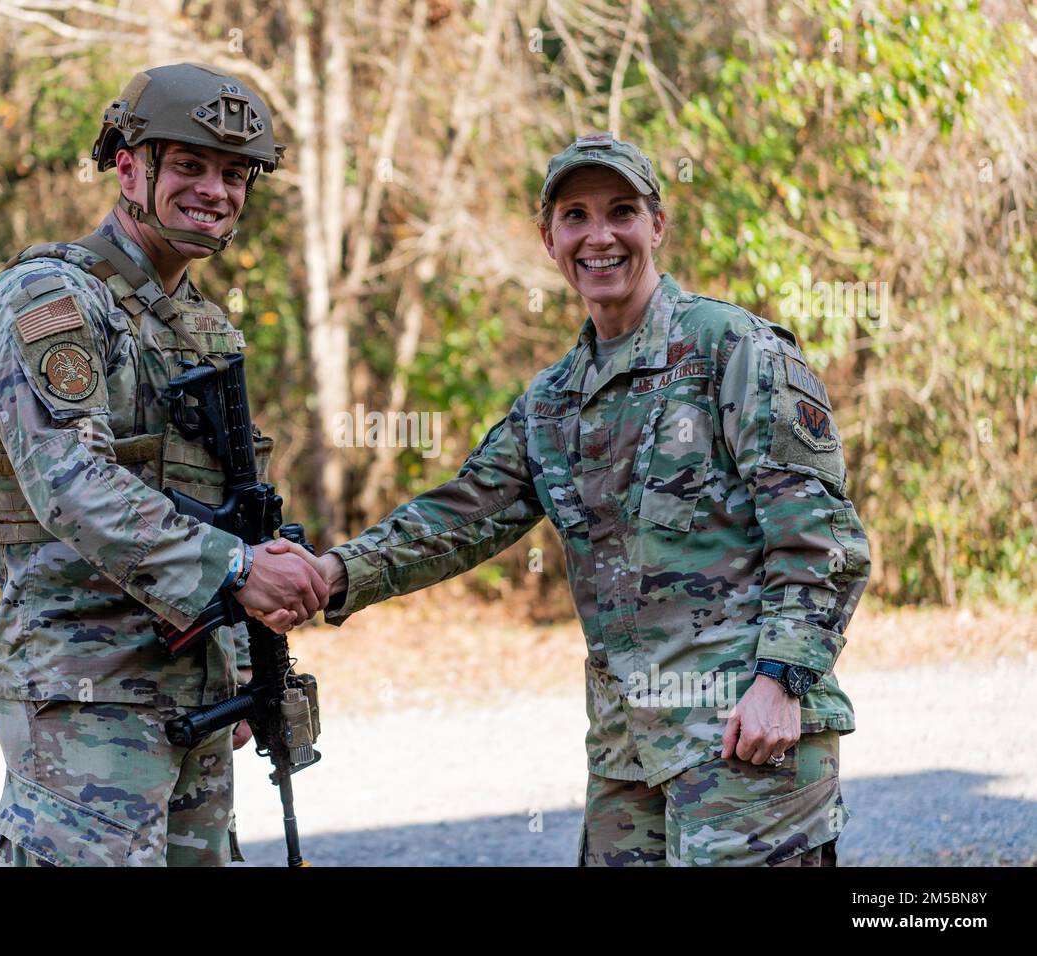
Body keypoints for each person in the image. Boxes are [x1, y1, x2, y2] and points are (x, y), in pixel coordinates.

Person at [272, 131, 871, 866]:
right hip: (628, 751)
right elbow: (464, 513)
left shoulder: (732, 348)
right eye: (575, 216)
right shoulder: (553, 399)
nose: (599, 236)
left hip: (745, 735)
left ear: (657, 225)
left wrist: (782, 680)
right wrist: (333, 574)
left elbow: (822, 538)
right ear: (549, 238)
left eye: (621, 212)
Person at [0, 63, 328, 867]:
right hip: (87, 692)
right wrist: (237, 572)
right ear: (129, 170)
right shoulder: (50, 298)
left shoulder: (199, 325)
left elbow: (228, 504)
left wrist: (245, 660)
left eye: (234, 174)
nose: (215, 191)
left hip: (193, 689)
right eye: (189, 165)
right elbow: (70, 484)